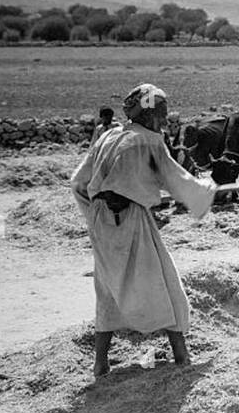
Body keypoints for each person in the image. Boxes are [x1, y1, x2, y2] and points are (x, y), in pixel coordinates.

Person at [70, 84, 216, 377]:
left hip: (101, 223)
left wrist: (96, 213)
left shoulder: (109, 136)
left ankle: (101, 363)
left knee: (108, 288)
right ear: (148, 113)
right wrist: (205, 191)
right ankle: (181, 355)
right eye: (161, 114)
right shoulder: (149, 141)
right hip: (131, 220)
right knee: (163, 281)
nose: (163, 121)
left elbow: (78, 181)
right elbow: (176, 179)